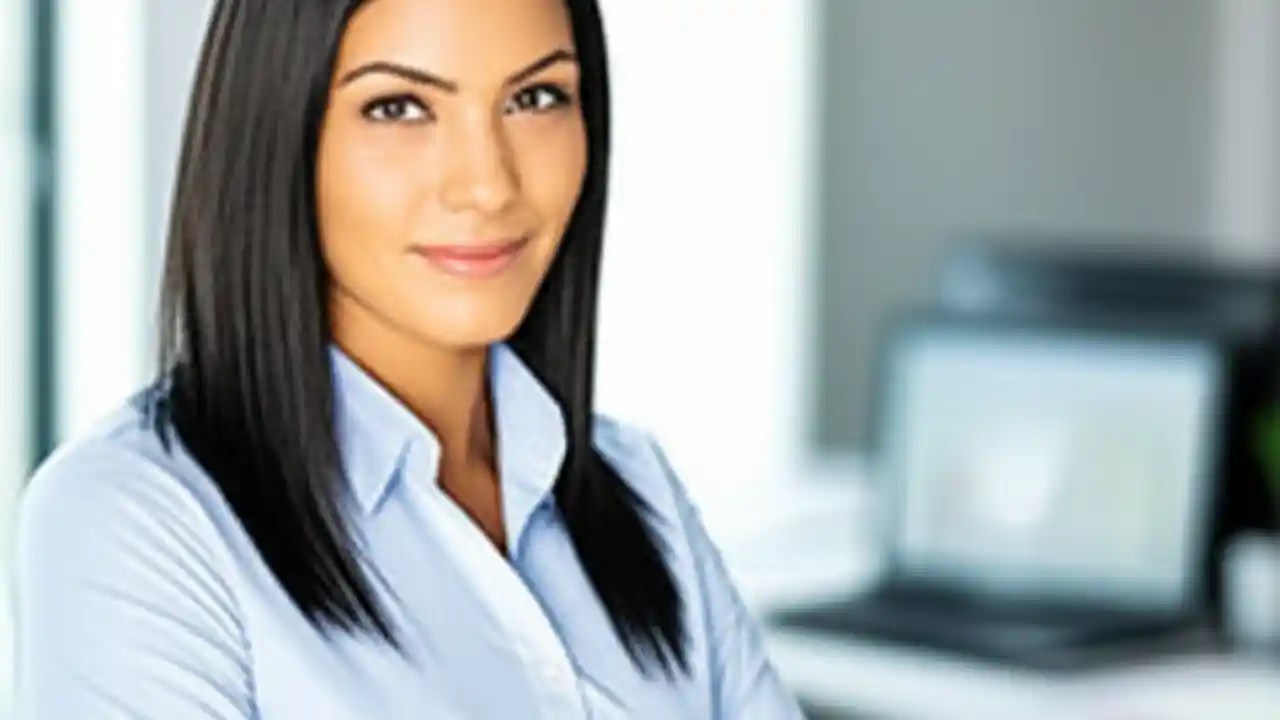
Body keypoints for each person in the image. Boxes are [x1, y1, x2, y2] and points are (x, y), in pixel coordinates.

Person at [13, 0, 804, 717]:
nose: (488, 185)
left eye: (535, 98)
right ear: (277, 132)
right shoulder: (133, 524)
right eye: (399, 108)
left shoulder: (639, 491)